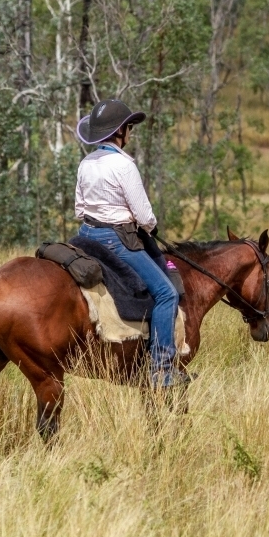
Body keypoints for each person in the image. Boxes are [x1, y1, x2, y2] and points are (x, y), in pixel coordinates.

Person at [74, 99, 190, 389]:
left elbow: (79, 208)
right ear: (120, 132)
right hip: (116, 239)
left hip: (85, 235)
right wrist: (151, 227)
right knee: (166, 294)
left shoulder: (86, 163)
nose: (131, 133)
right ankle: (162, 369)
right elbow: (144, 216)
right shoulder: (124, 165)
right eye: (129, 128)